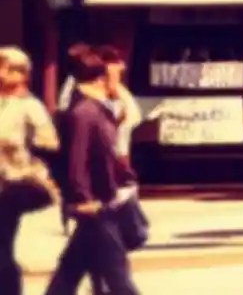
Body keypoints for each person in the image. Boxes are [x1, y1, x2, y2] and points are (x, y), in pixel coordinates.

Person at [45, 46, 141, 294]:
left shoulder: (96, 110)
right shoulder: (84, 114)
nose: (118, 83)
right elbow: (77, 159)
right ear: (100, 79)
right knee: (117, 274)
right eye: (116, 77)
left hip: (102, 200)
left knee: (71, 270)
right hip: (95, 204)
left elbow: (129, 119)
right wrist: (82, 198)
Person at [0, 47, 59, 295]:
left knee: (1, 248)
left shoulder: (29, 105)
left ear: (19, 73)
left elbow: (50, 143)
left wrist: (14, 147)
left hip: (12, 184)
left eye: (2, 66)